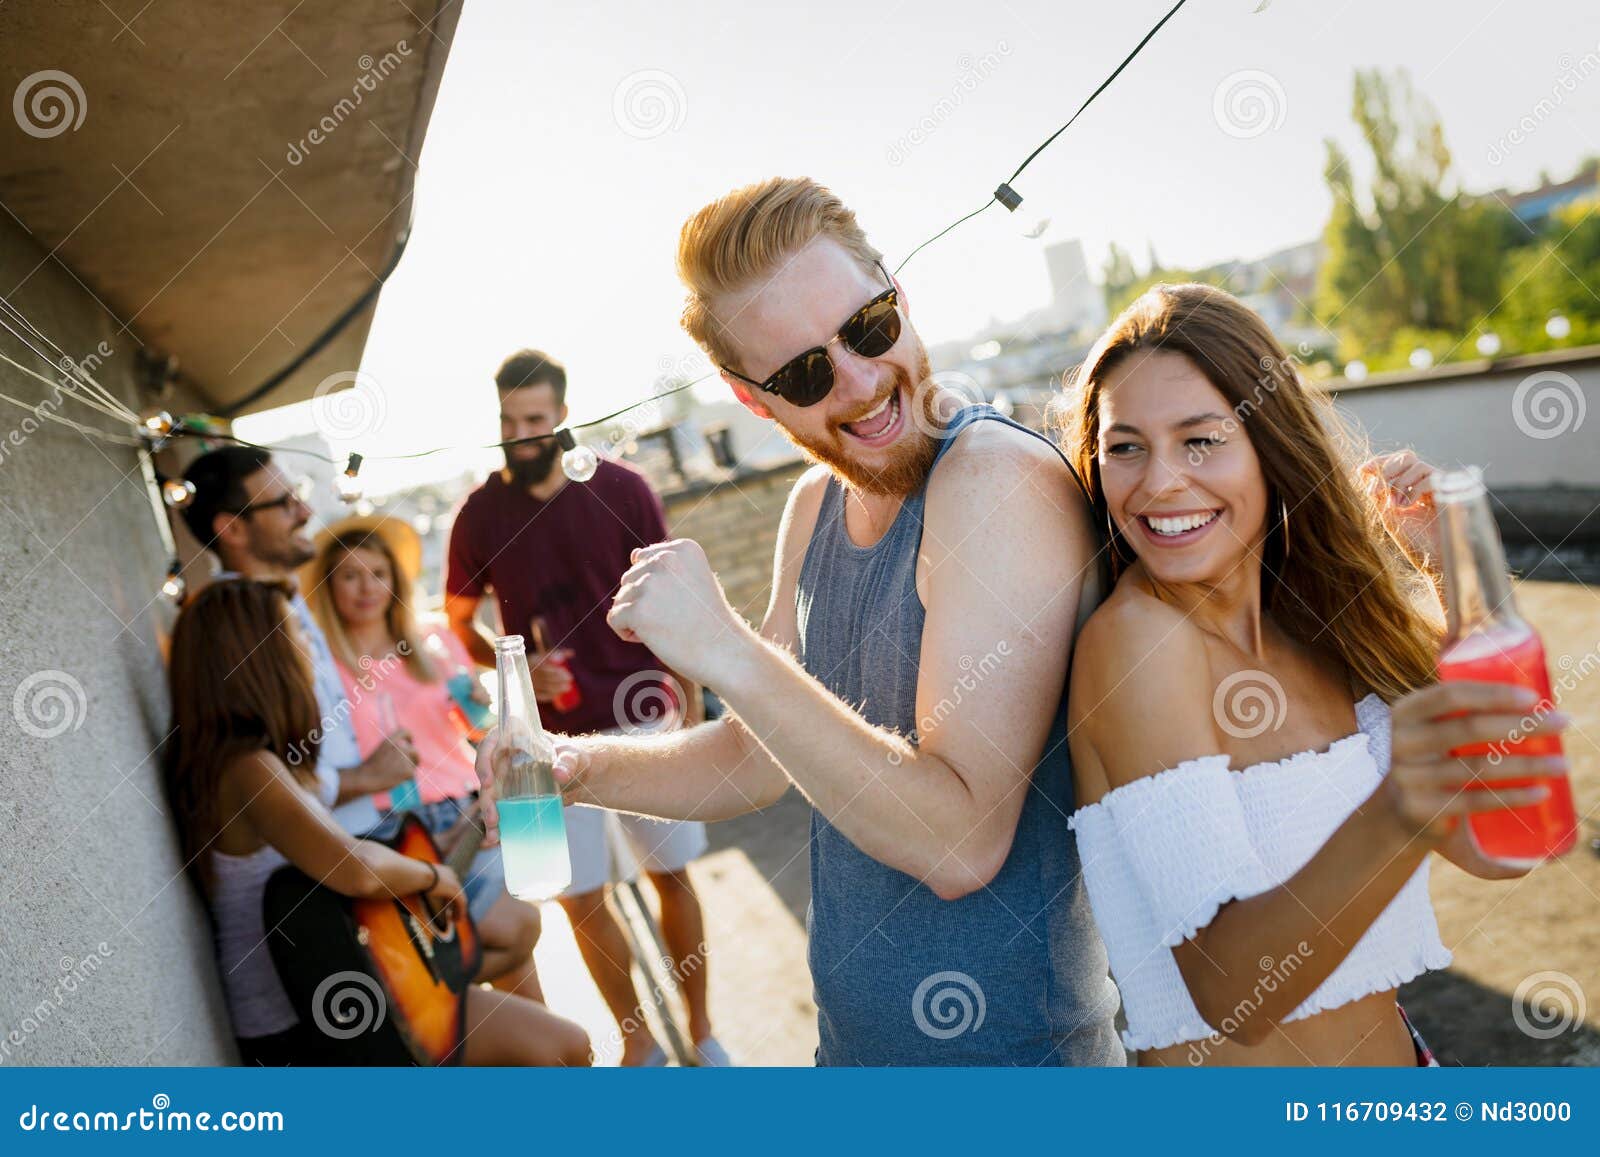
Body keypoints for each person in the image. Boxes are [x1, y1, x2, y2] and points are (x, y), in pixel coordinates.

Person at [480, 177, 1126, 1065]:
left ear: (898, 293)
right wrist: (573, 767)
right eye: (804, 371)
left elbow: (959, 839)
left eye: (868, 327)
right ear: (752, 398)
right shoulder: (813, 504)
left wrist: (724, 650)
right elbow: (757, 755)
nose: (861, 383)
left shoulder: (991, 483)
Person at [1059, 283, 1569, 1066]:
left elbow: (1505, 841)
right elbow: (1233, 995)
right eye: (1125, 446)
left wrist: (1452, 575)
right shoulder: (1136, 644)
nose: (1159, 481)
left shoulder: (1323, 623)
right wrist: (1402, 809)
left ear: (1271, 445)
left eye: (1200, 439)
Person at [162, 577, 591, 1067]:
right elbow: (356, 868)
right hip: (302, 1022)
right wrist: (436, 877)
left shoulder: (242, 762)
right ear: (256, 660)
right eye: (294, 635)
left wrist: (460, 833)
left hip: (336, 986)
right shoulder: (247, 768)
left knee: (497, 959)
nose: (309, 649)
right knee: (566, 1049)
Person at [446, 349, 727, 1066]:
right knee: (580, 896)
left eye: (535, 419)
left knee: (672, 874)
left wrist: (690, 701)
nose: (521, 434)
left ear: (563, 416)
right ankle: (637, 1042)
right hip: (543, 738)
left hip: (646, 716)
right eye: (509, 420)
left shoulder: (623, 488)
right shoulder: (479, 514)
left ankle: (701, 1033)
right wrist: (510, 665)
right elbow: (458, 619)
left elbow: (672, 596)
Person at [301, 515, 545, 1000]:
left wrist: (479, 699)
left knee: (515, 944)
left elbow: (475, 727)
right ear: (329, 587)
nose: (366, 587)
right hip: (395, 829)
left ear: (395, 580)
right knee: (466, 942)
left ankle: (548, 1057)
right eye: (349, 575)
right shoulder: (320, 664)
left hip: (470, 810)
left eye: (378, 573)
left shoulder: (431, 638)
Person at [179, 446, 413, 837]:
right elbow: (260, 774)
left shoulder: (283, 600)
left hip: (364, 836)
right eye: (285, 503)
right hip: (323, 869)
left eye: (298, 494)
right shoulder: (237, 628)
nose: (305, 512)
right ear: (233, 528)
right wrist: (367, 775)